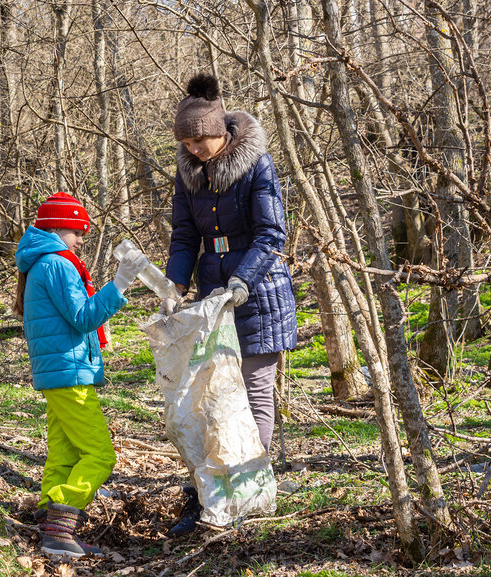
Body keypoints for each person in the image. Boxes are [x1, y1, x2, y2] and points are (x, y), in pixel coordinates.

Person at [163, 74, 297, 536]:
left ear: (221, 130)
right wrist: (173, 285)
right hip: (212, 300)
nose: (195, 148)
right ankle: (206, 492)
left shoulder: (257, 164)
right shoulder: (187, 173)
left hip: (260, 293)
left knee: (254, 392)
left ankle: (247, 492)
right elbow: (184, 236)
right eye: (187, 141)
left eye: (201, 139)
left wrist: (244, 281)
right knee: (210, 397)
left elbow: (272, 234)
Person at [13, 191, 148, 558]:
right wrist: (120, 283)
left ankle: (48, 520)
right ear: (59, 228)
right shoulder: (56, 264)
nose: (81, 240)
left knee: (64, 454)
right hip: (68, 373)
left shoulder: (41, 262)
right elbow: (84, 316)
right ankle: (60, 527)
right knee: (100, 454)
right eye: (77, 233)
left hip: (57, 372)